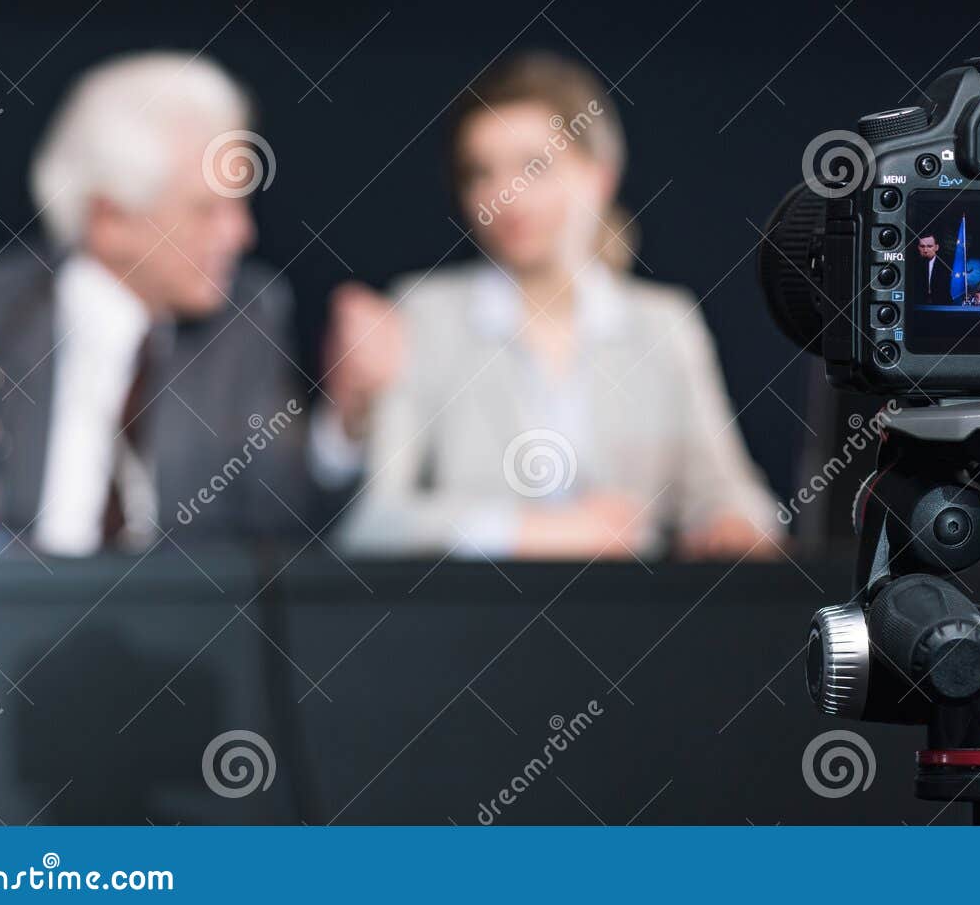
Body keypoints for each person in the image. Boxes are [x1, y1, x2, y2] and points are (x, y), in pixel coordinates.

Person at [316, 52, 779, 561]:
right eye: (480, 173)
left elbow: (731, 493)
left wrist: (736, 525)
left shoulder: (664, 324)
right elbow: (373, 523)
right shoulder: (424, 314)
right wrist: (535, 532)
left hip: (640, 626)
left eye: (533, 167)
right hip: (472, 628)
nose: (503, 195)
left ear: (599, 176)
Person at [0, 52, 309, 555]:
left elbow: (286, 525)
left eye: (240, 205)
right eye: (206, 210)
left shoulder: (249, 321)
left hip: (185, 629)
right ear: (109, 219)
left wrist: (345, 430)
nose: (242, 233)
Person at [906, 233, 953, 305]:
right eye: (922, 246)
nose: (925, 250)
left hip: (942, 306)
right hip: (918, 305)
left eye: (929, 246)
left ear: (936, 247)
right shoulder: (912, 265)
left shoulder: (946, 265)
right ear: (918, 247)